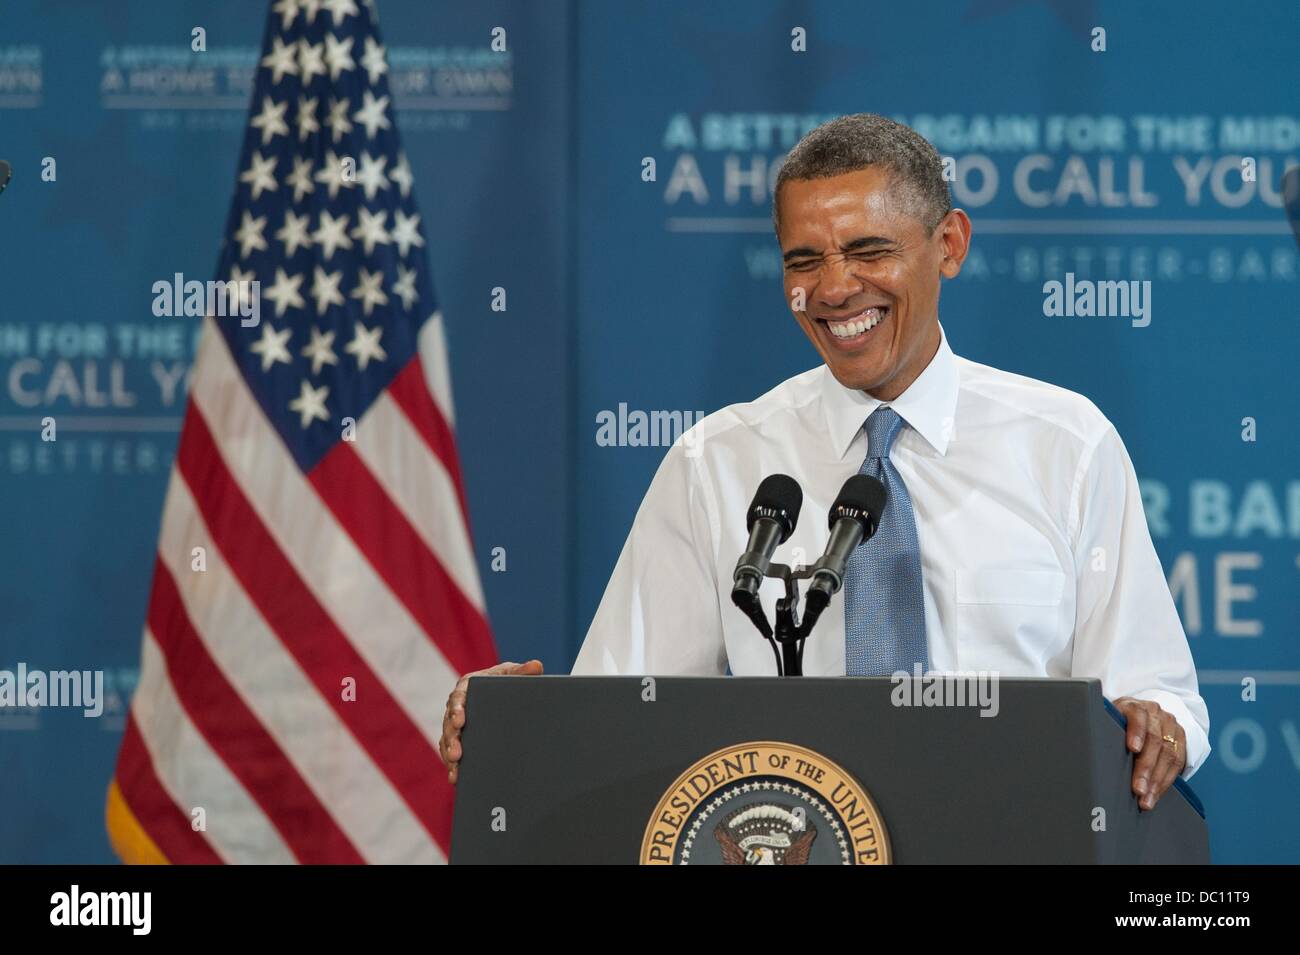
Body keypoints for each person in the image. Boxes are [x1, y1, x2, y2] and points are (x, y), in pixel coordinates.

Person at [440, 114, 1209, 813]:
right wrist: (524, 726)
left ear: (949, 245)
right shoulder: (718, 462)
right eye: (802, 260)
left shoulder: (1066, 444)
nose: (834, 289)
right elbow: (624, 706)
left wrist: (1158, 726)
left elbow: (1157, 693)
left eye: (868, 250)